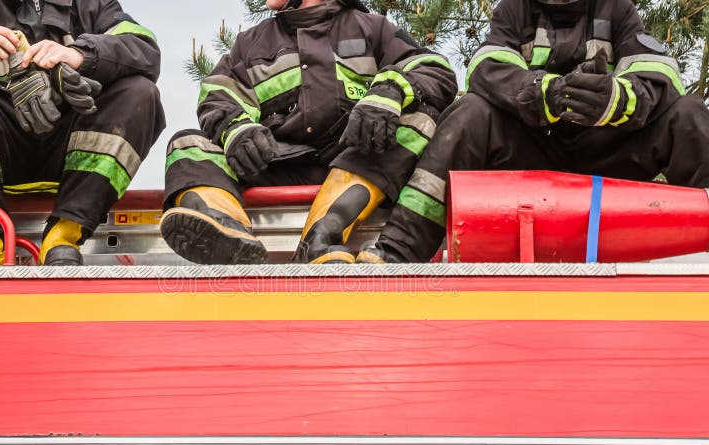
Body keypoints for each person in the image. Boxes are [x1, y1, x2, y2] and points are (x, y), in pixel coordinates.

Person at [358, 0, 709, 264]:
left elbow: (660, 76)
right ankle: (398, 251)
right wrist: (547, 93)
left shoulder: (616, 8)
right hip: (534, 150)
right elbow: (485, 70)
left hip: (608, 153)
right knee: (470, 113)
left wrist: (615, 100)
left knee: (688, 113)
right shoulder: (514, 9)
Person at [161, 0, 457, 265]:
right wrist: (238, 128)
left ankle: (321, 237)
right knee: (187, 144)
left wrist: (390, 90)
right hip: (275, 163)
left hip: (360, 164)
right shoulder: (251, 43)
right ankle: (229, 234)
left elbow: (433, 69)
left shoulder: (373, 29)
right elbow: (218, 94)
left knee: (420, 118)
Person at [0, 0, 165, 266]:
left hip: (73, 158)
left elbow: (144, 49)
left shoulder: (96, 7)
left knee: (139, 91)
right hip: (1, 156)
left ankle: (64, 234)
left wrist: (80, 56)